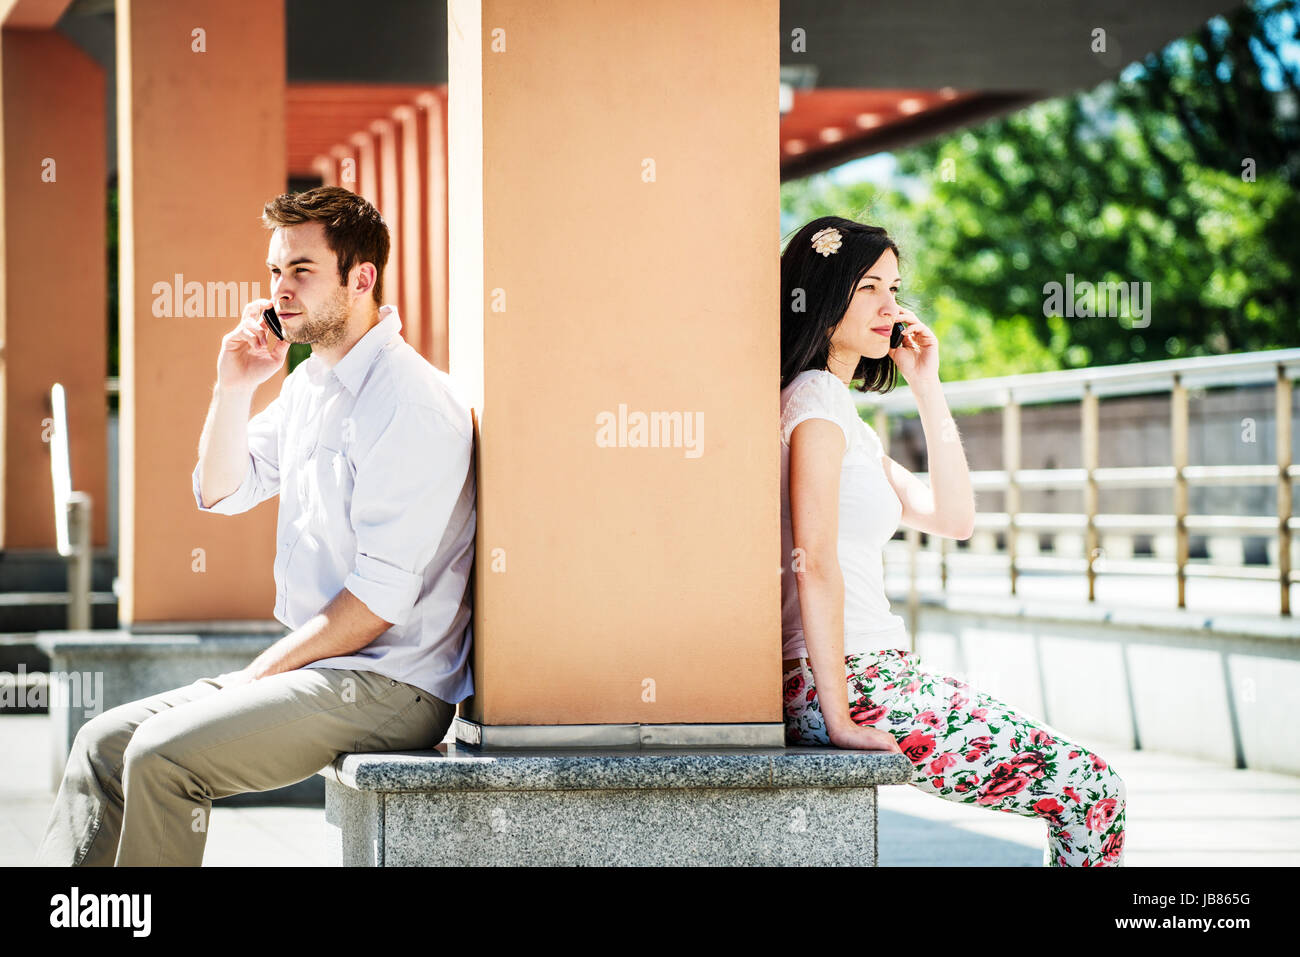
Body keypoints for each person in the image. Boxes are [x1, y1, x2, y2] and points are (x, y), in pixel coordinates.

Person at [36, 186, 476, 867]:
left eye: (302, 270)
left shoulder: (407, 402)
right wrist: (234, 385)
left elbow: (378, 603)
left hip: (392, 683)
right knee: (101, 742)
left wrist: (256, 674)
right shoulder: (309, 385)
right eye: (275, 270)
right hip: (322, 667)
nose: (280, 290)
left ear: (361, 279)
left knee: (161, 755)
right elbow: (223, 488)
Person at [779, 216, 1126, 867]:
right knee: (1092, 790)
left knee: (1088, 787)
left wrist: (926, 386)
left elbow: (953, 516)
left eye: (895, 287)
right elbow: (815, 563)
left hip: (868, 675)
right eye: (869, 287)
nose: (891, 305)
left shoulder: (833, 412)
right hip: (857, 679)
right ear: (824, 297)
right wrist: (840, 717)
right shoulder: (817, 405)